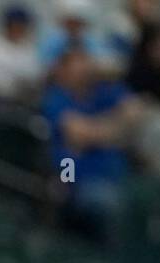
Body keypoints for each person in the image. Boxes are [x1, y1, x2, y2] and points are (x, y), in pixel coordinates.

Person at [41, 45, 142, 240]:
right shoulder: (56, 98)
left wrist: (98, 131)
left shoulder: (105, 92)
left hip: (119, 178)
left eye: (86, 64)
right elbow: (79, 134)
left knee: (149, 205)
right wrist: (117, 129)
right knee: (117, 207)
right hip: (75, 183)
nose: (84, 70)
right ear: (62, 71)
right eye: (77, 66)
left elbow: (137, 114)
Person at [0, 5, 43, 103]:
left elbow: (35, 75)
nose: (20, 29)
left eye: (23, 26)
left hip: (21, 101)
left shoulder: (28, 49)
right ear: (7, 25)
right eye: (16, 25)